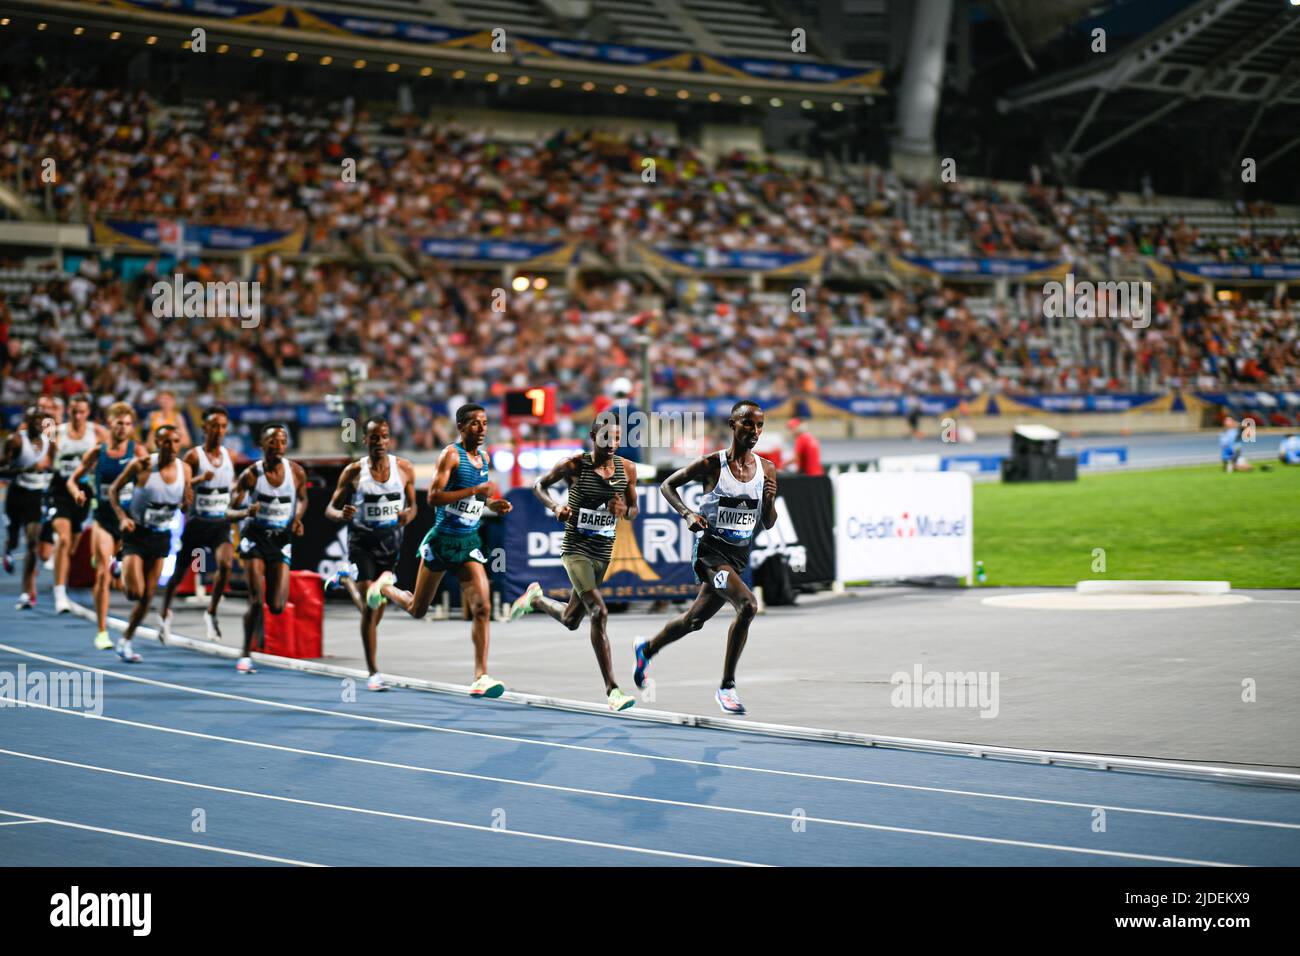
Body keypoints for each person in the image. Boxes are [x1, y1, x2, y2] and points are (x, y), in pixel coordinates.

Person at [632, 400, 778, 715]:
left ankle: (646, 649)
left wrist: (768, 501)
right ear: (732, 425)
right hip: (710, 554)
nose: (754, 431)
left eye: (759, 425)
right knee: (748, 605)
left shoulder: (767, 469)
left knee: (693, 620)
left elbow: (768, 522)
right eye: (748, 424)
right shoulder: (713, 464)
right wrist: (686, 513)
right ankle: (727, 686)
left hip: (737, 556)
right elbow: (668, 485)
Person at [365, 403, 512, 698]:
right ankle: (386, 588)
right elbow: (433, 497)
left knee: (482, 607)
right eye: (474, 424)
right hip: (441, 542)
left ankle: (480, 676)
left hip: (469, 542)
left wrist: (492, 504)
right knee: (418, 609)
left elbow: (477, 501)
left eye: (484, 423)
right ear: (461, 427)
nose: (482, 429)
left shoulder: (483, 457)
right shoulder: (451, 455)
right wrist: (474, 492)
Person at [511, 411, 640, 711]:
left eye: (617, 438)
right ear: (594, 437)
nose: (612, 444)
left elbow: (634, 511)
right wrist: (556, 506)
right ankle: (613, 690)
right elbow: (538, 486)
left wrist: (624, 510)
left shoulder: (627, 469)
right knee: (599, 611)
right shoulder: (574, 465)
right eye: (606, 437)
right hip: (576, 548)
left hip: (603, 551)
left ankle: (537, 599)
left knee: (571, 620)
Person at [323, 417, 417, 691]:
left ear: (390, 439)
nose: (379, 443)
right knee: (369, 609)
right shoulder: (353, 472)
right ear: (365, 440)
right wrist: (342, 513)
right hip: (361, 542)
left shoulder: (404, 468)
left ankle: (345, 579)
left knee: (375, 612)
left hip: (390, 544)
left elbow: (414, 509)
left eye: (384, 437)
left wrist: (406, 517)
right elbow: (329, 509)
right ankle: (373, 672)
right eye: (374, 438)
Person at [226, 424, 308, 674]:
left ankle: (258, 635)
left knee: (276, 605)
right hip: (255, 538)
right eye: (272, 442)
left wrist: (297, 517)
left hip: (281, 540)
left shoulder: (295, 472)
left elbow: (303, 498)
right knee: (255, 599)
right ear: (262, 446)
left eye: (282, 441)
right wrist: (245, 512)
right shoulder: (251, 475)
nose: (278, 446)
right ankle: (245, 654)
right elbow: (229, 511)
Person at [66, 402, 148, 649]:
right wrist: (77, 493)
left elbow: (150, 480)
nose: (123, 428)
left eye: (127, 424)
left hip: (128, 521)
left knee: (130, 589)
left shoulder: (138, 451)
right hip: (103, 519)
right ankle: (102, 632)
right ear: (109, 423)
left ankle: (114, 562)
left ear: (132, 427)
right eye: (118, 422)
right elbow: (72, 480)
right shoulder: (97, 452)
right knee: (102, 573)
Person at [107, 425, 192, 663]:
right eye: (165, 442)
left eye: (175, 442)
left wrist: (187, 503)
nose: (171, 446)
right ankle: (118, 565)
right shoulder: (142, 465)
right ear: (157, 443)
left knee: (148, 595)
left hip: (161, 535)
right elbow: (114, 490)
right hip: (136, 533)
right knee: (135, 593)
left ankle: (126, 640)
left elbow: (185, 502)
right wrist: (123, 518)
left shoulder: (184, 469)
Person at [157, 405, 239, 642]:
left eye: (223, 426)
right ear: (204, 427)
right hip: (197, 524)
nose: (219, 430)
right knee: (183, 571)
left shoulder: (230, 456)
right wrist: (199, 479)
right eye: (214, 425)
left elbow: (232, 482)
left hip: (221, 523)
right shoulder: (194, 456)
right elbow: (180, 482)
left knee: (225, 565)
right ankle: (165, 612)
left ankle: (211, 612)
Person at [45, 394, 107, 614]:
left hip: (83, 491)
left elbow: (114, 450)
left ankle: (60, 562)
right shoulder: (57, 432)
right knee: (63, 539)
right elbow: (48, 460)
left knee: (71, 545)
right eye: (73, 411)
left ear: (88, 412)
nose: (77, 415)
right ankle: (60, 593)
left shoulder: (97, 432)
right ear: (68, 411)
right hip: (60, 489)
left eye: (81, 411)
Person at [2, 406, 56, 609]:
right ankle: (8, 548)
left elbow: (52, 465)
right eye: (33, 419)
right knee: (15, 540)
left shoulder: (48, 442)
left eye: (41, 419)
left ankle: (26, 591)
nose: (37, 423)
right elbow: (2, 468)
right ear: (26, 420)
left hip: (36, 496)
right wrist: (24, 468)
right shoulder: (15, 440)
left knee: (33, 542)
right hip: (17, 494)